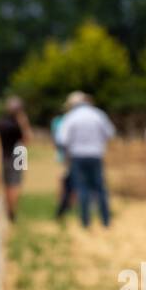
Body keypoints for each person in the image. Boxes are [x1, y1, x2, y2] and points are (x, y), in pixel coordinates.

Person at [56, 91, 116, 229]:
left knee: (82, 189)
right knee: (100, 188)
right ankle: (106, 221)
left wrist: (67, 155)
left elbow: (62, 140)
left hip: (77, 156)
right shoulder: (98, 114)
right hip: (96, 155)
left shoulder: (70, 117)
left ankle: (85, 222)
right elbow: (110, 133)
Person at [0, 96, 32, 221]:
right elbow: (27, 140)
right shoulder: (18, 125)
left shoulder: (1, 123)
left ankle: (8, 210)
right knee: (15, 184)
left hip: (5, 155)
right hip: (19, 153)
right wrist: (24, 123)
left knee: (7, 184)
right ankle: (12, 212)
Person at [50, 109, 74, 222]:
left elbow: (55, 139)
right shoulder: (70, 120)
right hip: (70, 154)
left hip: (63, 154)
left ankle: (63, 202)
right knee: (68, 179)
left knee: (63, 179)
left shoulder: (57, 121)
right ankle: (68, 203)